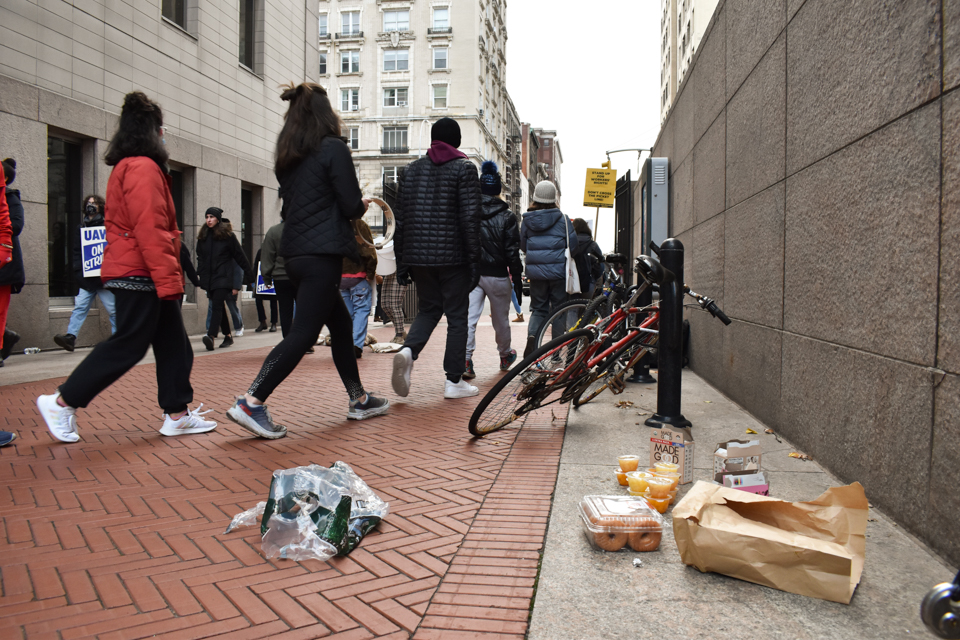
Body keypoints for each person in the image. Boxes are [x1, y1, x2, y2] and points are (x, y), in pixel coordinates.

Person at [35, 90, 216, 442]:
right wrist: (169, 282)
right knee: (129, 344)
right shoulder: (144, 168)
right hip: (140, 272)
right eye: (161, 128)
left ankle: (177, 414)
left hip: (140, 270)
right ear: (153, 131)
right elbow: (151, 229)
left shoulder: (131, 166)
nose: (165, 135)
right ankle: (62, 401)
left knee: (174, 344)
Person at [226, 82, 389, 438]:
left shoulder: (289, 157)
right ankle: (251, 402)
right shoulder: (333, 148)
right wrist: (360, 205)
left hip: (296, 253)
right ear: (325, 114)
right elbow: (349, 204)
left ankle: (358, 399)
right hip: (321, 255)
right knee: (304, 334)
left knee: (342, 326)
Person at [391, 117, 481, 400]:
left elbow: (400, 221)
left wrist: (402, 262)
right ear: (456, 140)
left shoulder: (411, 171)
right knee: (457, 317)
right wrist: (474, 261)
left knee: (429, 310)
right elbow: (470, 219)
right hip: (453, 258)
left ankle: (408, 350)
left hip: (418, 258)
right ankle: (454, 381)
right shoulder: (465, 169)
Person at [463, 161, 521, 380]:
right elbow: (512, 251)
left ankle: (465, 360)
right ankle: (505, 355)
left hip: (473, 274)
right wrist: (516, 277)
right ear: (498, 190)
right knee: (501, 320)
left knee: (469, 318)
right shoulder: (507, 217)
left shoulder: (469, 212)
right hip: (498, 275)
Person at [52, 195, 118, 351]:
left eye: (94, 203)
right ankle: (70, 337)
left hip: (104, 277)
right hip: (87, 278)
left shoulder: (108, 226)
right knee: (80, 306)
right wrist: (78, 272)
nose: (91, 205)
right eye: (89, 203)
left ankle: (118, 339)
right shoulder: (81, 227)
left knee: (113, 310)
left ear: (100, 206)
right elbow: (77, 252)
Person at [520, 180, 578, 357]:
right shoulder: (564, 219)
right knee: (558, 311)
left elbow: (523, 245)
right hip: (559, 273)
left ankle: (532, 338)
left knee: (538, 309)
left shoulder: (527, 220)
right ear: (554, 199)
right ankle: (555, 351)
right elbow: (573, 246)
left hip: (536, 274)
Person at [196, 208, 250, 351]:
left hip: (224, 277)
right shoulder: (203, 237)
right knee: (218, 306)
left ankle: (211, 336)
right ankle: (227, 335)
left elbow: (240, 256)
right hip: (210, 278)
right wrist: (200, 272)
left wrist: (249, 274)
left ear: (218, 219)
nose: (208, 220)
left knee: (216, 305)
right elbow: (200, 256)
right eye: (207, 217)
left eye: (211, 217)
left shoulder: (228, 236)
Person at [340, 219, 377, 358]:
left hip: (339, 276)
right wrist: (370, 272)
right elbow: (368, 251)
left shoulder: (334, 221)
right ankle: (355, 344)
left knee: (346, 312)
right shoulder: (359, 225)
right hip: (357, 275)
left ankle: (345, 344)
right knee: (361, 309)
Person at [0, 158, 24, 365]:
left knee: (0, 309)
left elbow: (16, 226)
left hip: (5, 262)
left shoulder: (10, 198)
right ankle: (6, 337)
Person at [260, 213, 295, 338]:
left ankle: (287, 341)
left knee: (285, 311)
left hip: (281, 276)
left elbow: (267, 256)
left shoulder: (273, 231)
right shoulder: (303, 229)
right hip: (300, 276)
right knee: (303, 310)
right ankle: (303, 341)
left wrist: (266, 277)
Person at [376, 237, 407, 344]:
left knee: (394, 305)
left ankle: (399, 335)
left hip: (401, 271)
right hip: (390, 271)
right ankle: (401, 331)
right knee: (384, 305)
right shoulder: (392, 236)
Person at [571, 218, 604, 298]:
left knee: (571, 307)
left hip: (571, 280)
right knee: (587, 307)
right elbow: (601, 263)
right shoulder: (593, 245)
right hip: (588, 281)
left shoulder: (569, 244)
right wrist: (594, 277)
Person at [251, 247, 278, 332]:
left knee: (273, 301)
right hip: (261, 279)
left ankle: (274, 323)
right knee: (258, 300)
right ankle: (262, 321)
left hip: (272, 278)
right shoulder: (261, 251)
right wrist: (253, 278)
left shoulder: (276, 250)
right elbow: (256, 264)